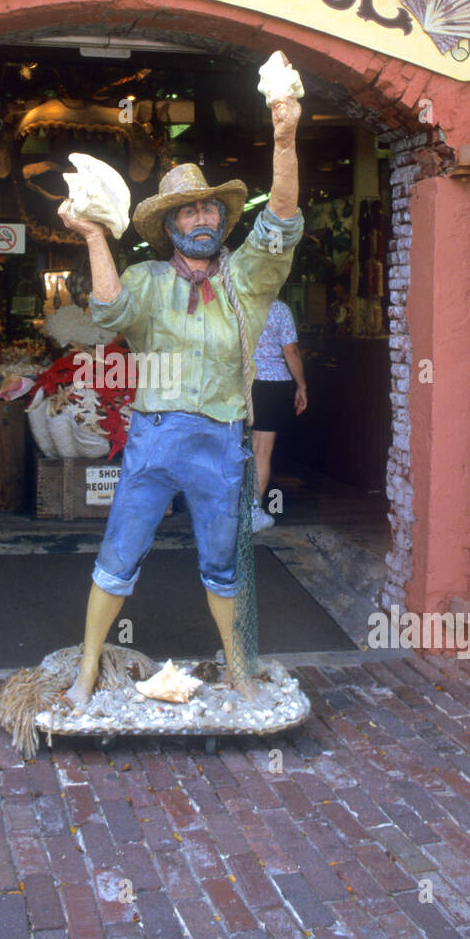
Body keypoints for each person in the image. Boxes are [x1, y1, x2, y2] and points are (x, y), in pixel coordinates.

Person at [57, 82, 303, 708]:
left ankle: (238, 667)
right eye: (188, 213)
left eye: (210, 211)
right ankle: (87, 669)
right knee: (119, 552)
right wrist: (91, 236)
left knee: (222, 562)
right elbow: (108, 314)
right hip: (154, 435)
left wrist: (283, 136)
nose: (202, 220)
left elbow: (280, 219)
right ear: (170, 226)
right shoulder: (144, 279)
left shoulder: (247, 280)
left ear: (223, 220)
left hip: (220, 441)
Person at [250, 299, 308, 532]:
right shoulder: (280, 309)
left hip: (238, 381)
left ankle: (228, 509)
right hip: (270, 384)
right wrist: (302, 385)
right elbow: (290, 350)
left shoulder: (236, 303)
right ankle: (253, 511)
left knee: (234, 446)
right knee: (261, 450)